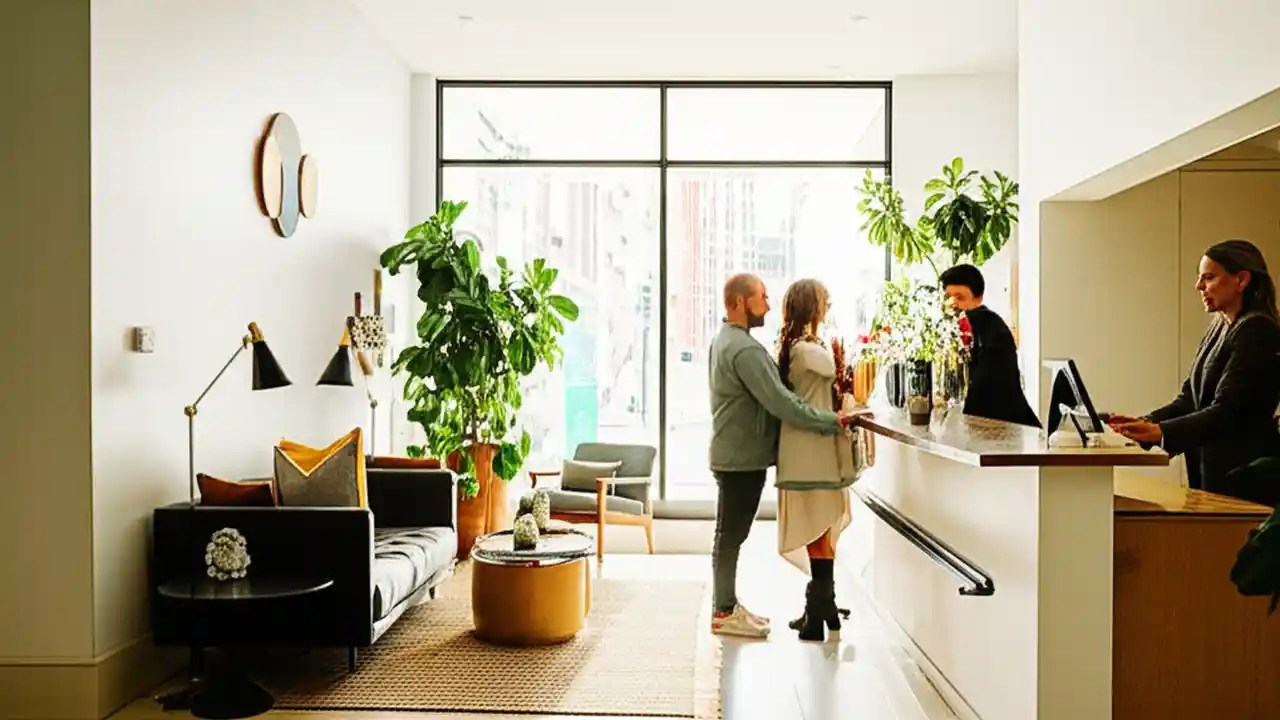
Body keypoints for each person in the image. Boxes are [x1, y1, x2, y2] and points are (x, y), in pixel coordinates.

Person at [708, 272, 854, 638]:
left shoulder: (730, 342)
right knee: (730, 537)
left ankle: (726, 606)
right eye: (761, 297)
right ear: (740, 302)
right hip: (740, 458)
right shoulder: (744, 349)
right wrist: (829, 421)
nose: (768, 305)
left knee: (731, 535)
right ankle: (723, 610)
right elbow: (782, 402)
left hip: (739, 455)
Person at [1110, 240, 1280, 507]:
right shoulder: (1220, 326)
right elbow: (1190, 398)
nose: (1198, 286)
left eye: (1209, 278)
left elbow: (1228, 411)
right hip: (1214, 476)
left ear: (1241, 279)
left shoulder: (1257, 330)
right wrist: (1146, 423)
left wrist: (1160, 432)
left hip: (1244, 480)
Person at [774, 279, 865, 642]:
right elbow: (834, 368)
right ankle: (820, 607)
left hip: (815, 448)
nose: (828, 306)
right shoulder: (804, 349)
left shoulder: (803, 347)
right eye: (824, 301)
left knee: (823, 523)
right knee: (816, 522)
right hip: (808, 449)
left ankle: (820, 607)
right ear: (811, 306)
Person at [939, 264, 1041, 428]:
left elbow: (984, 388)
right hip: (992, 427)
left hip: (1006, 429)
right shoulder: (949, 329)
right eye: (948, 298)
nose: (953, 304)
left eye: (960, 297)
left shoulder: (989, 327)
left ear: (978, 298)